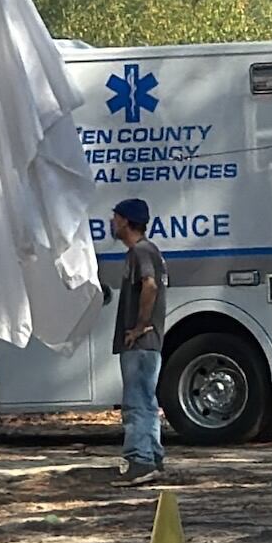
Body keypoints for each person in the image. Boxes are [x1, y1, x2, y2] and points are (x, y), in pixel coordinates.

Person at [110, 198, 168, 485]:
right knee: (146, 399)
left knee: (136, 402)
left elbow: (150, 284)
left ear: (125, 221)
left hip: (141, 344)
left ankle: (140, 460)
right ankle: (153, 457)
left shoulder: (140, 252)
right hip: (149, 344)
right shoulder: (149, 251)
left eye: (115, 217)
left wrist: (140, 326)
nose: (112, 223)